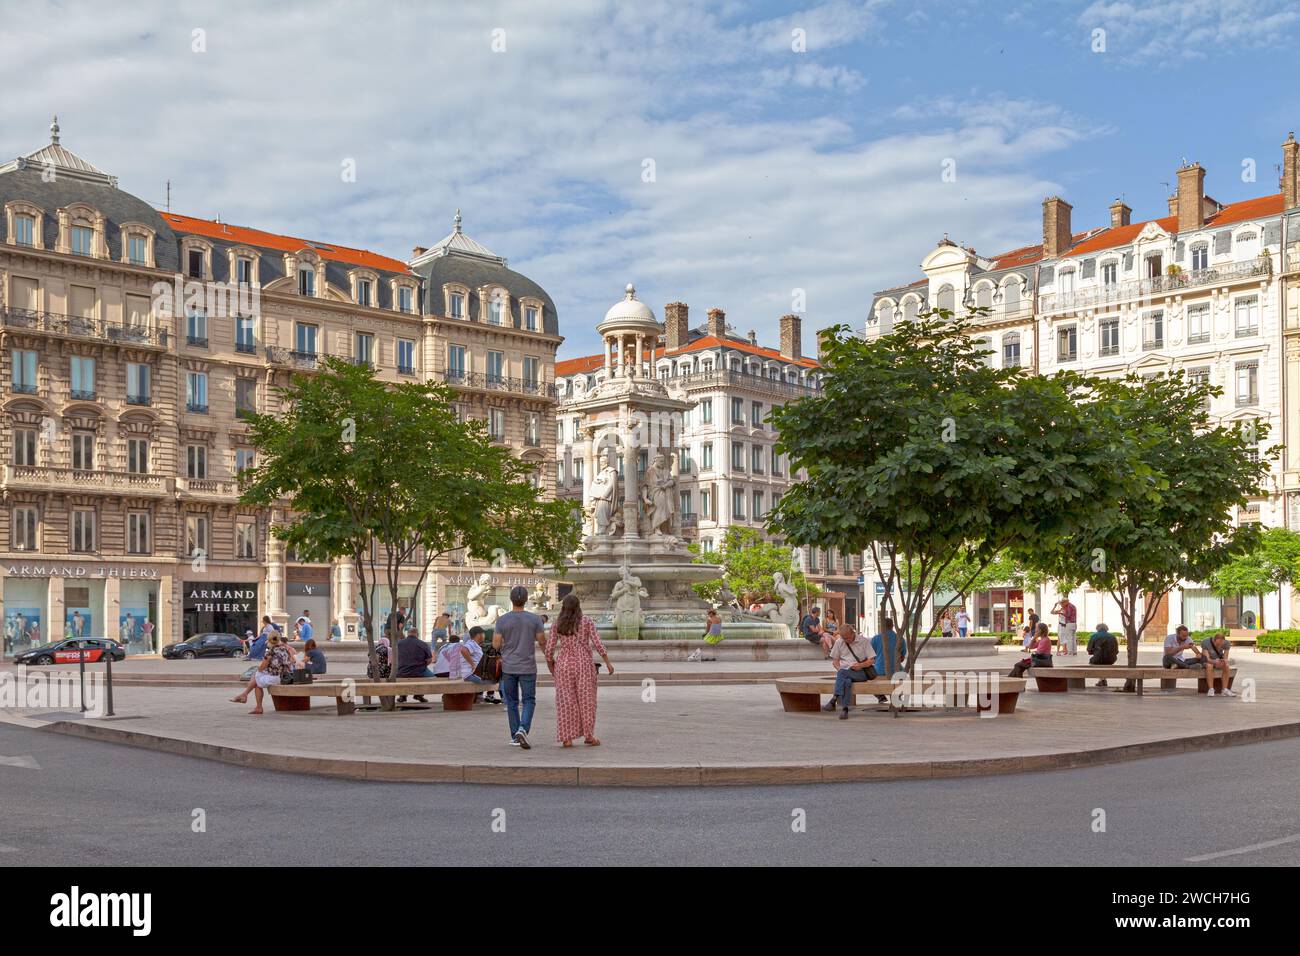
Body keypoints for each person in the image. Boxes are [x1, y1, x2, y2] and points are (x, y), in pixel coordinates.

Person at [545, 594, 614, 747]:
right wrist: (607, 662)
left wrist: (551, 665)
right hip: (583, 664)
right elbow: (597, 643)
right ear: (578, 607)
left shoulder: (558, 623)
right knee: (587, 700)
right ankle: (589, 736)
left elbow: (549, 649)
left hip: (563, 664)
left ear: (563, 607)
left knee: (565, 702)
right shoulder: (586, 622)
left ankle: (567, 738)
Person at [493, 585, 546, 749]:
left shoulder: (502, 620)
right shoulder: (535, 619)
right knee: (529, 700)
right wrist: (550, 657)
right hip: (528, 666)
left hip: (509, 667)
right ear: (526, 600)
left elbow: (496, 644)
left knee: (512, 702)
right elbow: (542, 641)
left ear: (511, 599)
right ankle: (523, 729)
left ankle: (515, 735)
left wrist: (505, 647)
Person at [230, 632, 295, 714]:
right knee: (257, 678)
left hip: (276, 678)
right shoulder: (285, 649)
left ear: (269, 640)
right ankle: (248, 699)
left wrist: (260, 671)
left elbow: (262, 667)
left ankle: (247, 697)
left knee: (257, 676)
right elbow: (291, 661)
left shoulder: (271, 651)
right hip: (286, 676)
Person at [824, 625, 876, 719]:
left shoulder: (863, 641)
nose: (846, 640)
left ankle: (834, 698)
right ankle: (845, 710)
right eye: (844, 638)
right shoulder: (839, 642)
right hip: (845, 672)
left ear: (853, 633)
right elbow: (835, 662)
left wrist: (860, 665)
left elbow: (872, 660)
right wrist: (840, 669)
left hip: (861, 672)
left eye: (848, 638)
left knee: (842, 674)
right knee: (846, 681)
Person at [870, 618, 907, 703]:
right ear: (892, 626)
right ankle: (897, 696)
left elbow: (871, 656)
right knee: (904, 674)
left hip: (879, 670)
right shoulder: (900, 638)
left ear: (881, 626)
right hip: (896, 670)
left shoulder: (875, 638)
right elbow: (902, 658)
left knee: (866, 676)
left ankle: (880, 696)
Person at [396, 625, 434, 703]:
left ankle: (402, 695)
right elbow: (430, 659)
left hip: (401, 671)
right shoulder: (423, 644)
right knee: (432, 677)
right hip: (419, 671)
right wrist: (423, 665)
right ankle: (419, 694)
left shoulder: (399, 643)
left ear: (408, 634)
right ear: (417, 634)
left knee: (403, 675)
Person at [1201, 631, 1236, 697]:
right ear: (1214, 641)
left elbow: (1225, 657)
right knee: (1209, 666)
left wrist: (1223, 662)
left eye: (1221, 644)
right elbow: (1206, 658)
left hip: (1218, 660)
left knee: (1226, 665)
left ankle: (1224, 690)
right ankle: (1211, 689)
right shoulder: (1205, 642)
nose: (1219, 646)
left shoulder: (1226, 643)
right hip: (1207, 661)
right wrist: (1214, 662)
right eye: (1217, 644)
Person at [1086, 622, 1118, 687]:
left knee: (1095, 662)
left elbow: (1089, 650)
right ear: (1107, 629)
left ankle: (1102, 680)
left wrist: (1095, 652)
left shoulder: (1094, 636)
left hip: (1097, 659)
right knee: (1104, 662)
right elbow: (1116, 651)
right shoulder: (1112, 637)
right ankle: (1103, 680)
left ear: (1097, 629)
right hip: (1110, 659)